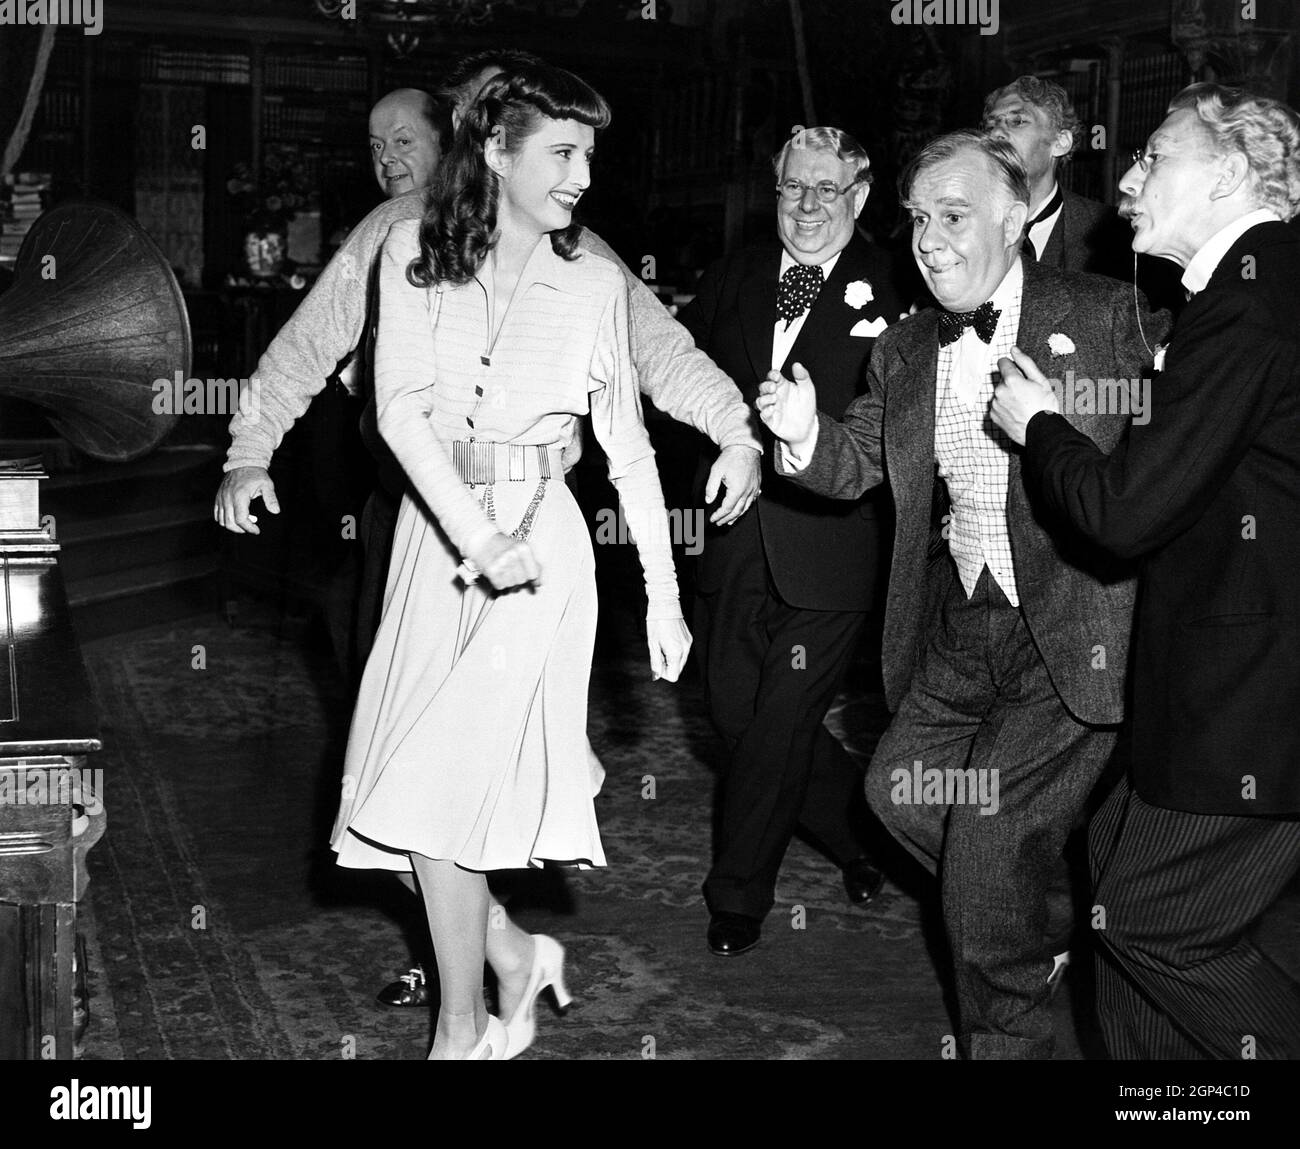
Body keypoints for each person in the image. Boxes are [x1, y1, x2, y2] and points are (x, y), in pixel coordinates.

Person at [214, 48, 761, 1006]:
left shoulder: (579, 257)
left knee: (437, 771)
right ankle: (502, 943)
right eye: (374, 142)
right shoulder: (394, 238)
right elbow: (307, 346)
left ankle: (460, 991)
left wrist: (733, 427)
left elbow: (660, 357)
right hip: (410, 523)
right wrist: (248, 447)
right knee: (380, 771)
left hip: (525, 530)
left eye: (407, 138)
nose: (390, 157)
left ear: (464, 140)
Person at [757, 131, 1158, 1058]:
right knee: (896, 791)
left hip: (1075, 628)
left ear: (1015, 218)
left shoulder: (1103, 315)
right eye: (917, 221)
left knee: (981, 863)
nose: (928, 240)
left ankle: (1008, 1020)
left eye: (952, 216)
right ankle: (1043, 925)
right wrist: (798, 431)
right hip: (962, 620)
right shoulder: (904, 349)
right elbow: (856, 458)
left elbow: (1190, 430)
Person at [331, 64, 692, 1060]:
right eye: (561, 153)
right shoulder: (410, 251)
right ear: (495, 150)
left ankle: (458, 1030)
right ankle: (515, 953)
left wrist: (663, 595)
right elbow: (396, 411)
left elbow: (626, 445)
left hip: (539, 555)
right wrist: (466, 533)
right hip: (432, 542)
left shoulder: (592, 283)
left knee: (438, 804)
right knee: (389, 812)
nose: (581, 175)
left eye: (587, 156)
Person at [991, 82, 1300, 1059]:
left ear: (1230, 171)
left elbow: (1120, 513)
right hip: (1223, 680)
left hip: (1252, 700)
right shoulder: (1256, 287)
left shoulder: (1249, 304)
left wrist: (1036, 426)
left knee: (1149, 921)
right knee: (1109, 867)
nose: (1123, 178)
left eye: (1151, 156)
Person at [678, 126, 903, 957]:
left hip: (834, 545)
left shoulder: (898, 283)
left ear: (860, 197)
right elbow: (685, 383)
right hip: (734, 533)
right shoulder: (733, 273)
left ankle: (737, 896)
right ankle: (860, 834)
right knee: (736, 714)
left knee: (777, 721)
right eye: (791, 189)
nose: (806, 207)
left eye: (826, 190)